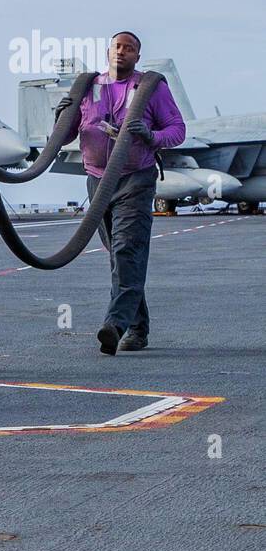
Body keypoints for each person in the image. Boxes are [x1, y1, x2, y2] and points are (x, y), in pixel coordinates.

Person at [57, 31, 186, 355]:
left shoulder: (150, 88)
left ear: (137, 57)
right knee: (119, 255)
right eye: (118, 46)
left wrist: (152, 136)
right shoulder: (90, 87)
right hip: (97, 181)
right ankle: (138, 328)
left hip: (135, 179)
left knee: (128, 249)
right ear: (108, 51)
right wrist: (61, 116)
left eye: (129, 48)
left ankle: (115, 325)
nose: (122, 52)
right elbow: (67, 134)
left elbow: (177, 130)